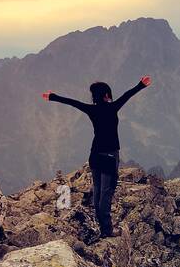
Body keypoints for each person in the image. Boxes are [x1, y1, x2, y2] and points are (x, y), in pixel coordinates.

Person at [43, 76, 151, 237]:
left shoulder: (91, 110)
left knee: (98, 192)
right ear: (107, 95)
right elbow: (128, 95)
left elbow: (73, 102)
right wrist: (141, 85)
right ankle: (107, 231)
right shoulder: (113, 107)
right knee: (106, 194)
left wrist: (52, 97)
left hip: (95, 156)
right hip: (109, 156)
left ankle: (103, 229)